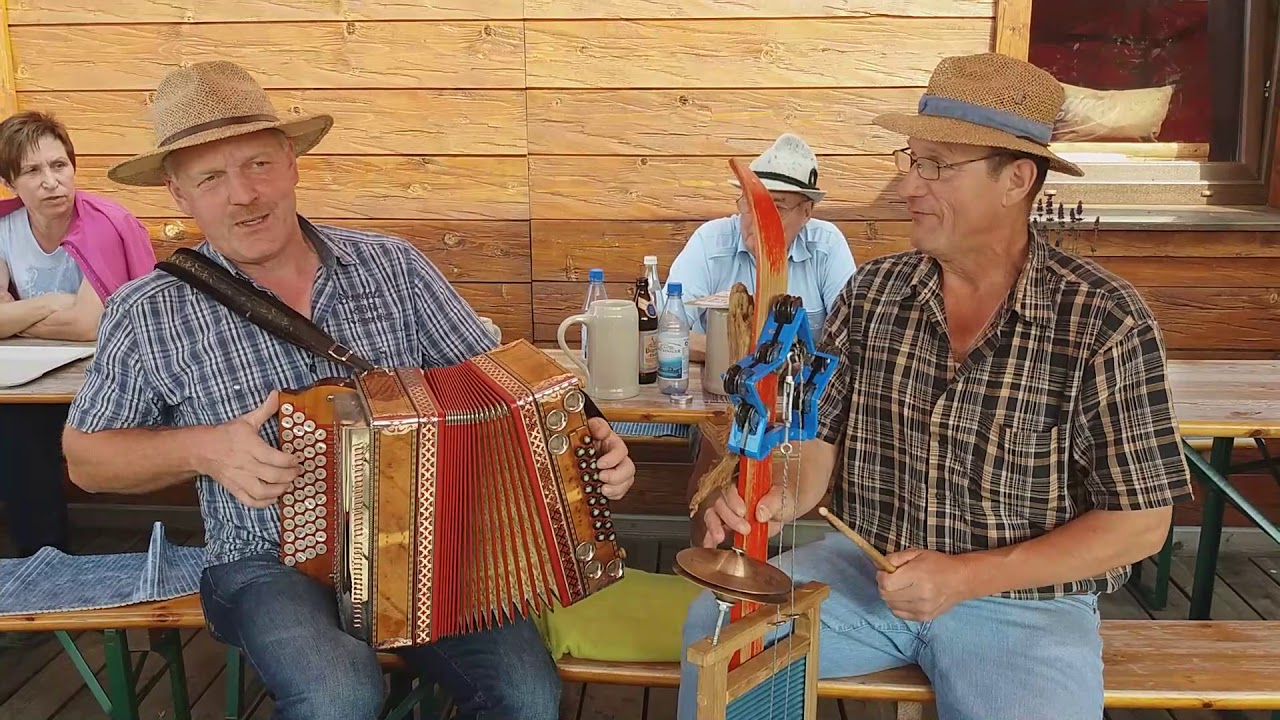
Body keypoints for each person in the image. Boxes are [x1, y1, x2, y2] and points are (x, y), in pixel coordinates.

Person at [60, 60, 637, 720]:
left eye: (257, 164)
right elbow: (85, 458)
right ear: (178, 194)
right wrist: (206, 449)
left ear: (291, 163)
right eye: (211, 178)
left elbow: (506, 388)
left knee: (529, 694)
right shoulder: (147, 310)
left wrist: (585, 447)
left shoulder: (394, 268)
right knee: (339, 695)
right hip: (264, 564)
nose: (243, 194)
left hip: (427, 544)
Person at [679, 53, 1193, 720]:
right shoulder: (873, 295)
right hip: (864, 573)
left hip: (1024, 606)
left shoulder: (1103, 320)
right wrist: (773, 496)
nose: (909, 186)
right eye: (910, 160)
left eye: (937, 167)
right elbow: (817, 453)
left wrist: (965, 578)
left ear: (1016, 179)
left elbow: (1141, 525)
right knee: (713, 629)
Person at [0, 110, 154, 560]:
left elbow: (90, 325)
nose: (51, 182)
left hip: (113, 376)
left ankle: (126, 563)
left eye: (59, 166)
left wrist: (17, 313)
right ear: (11, 183)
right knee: (13, 427)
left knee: (29, 430)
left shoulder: (102, 222)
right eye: (32, 171)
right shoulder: (4, 229)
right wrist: (51, 304)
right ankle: (43, 561)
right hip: (35, 380)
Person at [665, 132, 856, 362]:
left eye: (776, 208)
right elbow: (667, 329)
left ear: (806, 212)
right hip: (721, 385)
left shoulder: (827, 246)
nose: (758, 218)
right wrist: (751, 355)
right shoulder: (710, 241)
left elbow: (851, 338)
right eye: (750, 203)